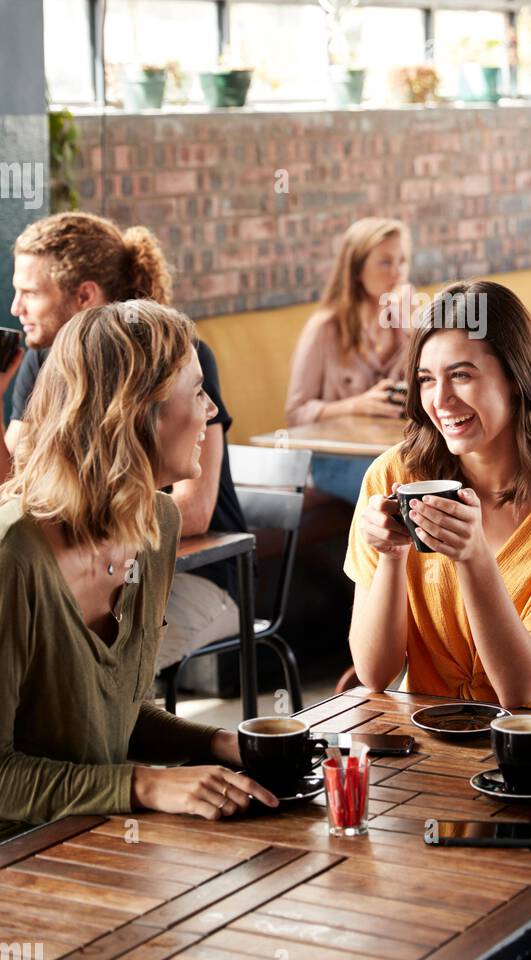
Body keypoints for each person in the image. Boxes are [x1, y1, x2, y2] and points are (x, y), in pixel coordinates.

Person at [0, 301, 279, 840]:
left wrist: (222, 744)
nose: (212, 411)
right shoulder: (15, 553)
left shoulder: (156, 522)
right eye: (197, 392)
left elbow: (112, 720)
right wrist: (146, 785)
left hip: (97, 836)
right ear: (136, 411)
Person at [345, 280, 531, 715]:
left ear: (517, 378)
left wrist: (473, 556)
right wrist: (391, 555)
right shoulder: (393, 477)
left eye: (461, 375)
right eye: (425, 380)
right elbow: (374, 673)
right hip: (432, 739)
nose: (440, 401)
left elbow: (519, 689)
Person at [1, 213, 245, 677]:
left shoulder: (179, 355)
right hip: (97, 562)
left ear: (85, 295)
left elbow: (192, 513)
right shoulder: (40, 361)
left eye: (30, 292)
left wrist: (79, 543)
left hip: (196, 569)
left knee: (91, 671)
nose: (16, 308)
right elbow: (15, 487)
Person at [285, 217, 413, 506]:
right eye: (385, 262)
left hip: (392, 450)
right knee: (400, 487)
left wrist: (414, 327)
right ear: (356, 269)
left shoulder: (403, 322)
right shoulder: (325, 328)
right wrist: (357, 405)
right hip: (335, 460)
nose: (397, 272)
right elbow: (295, 414)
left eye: (402, 261)